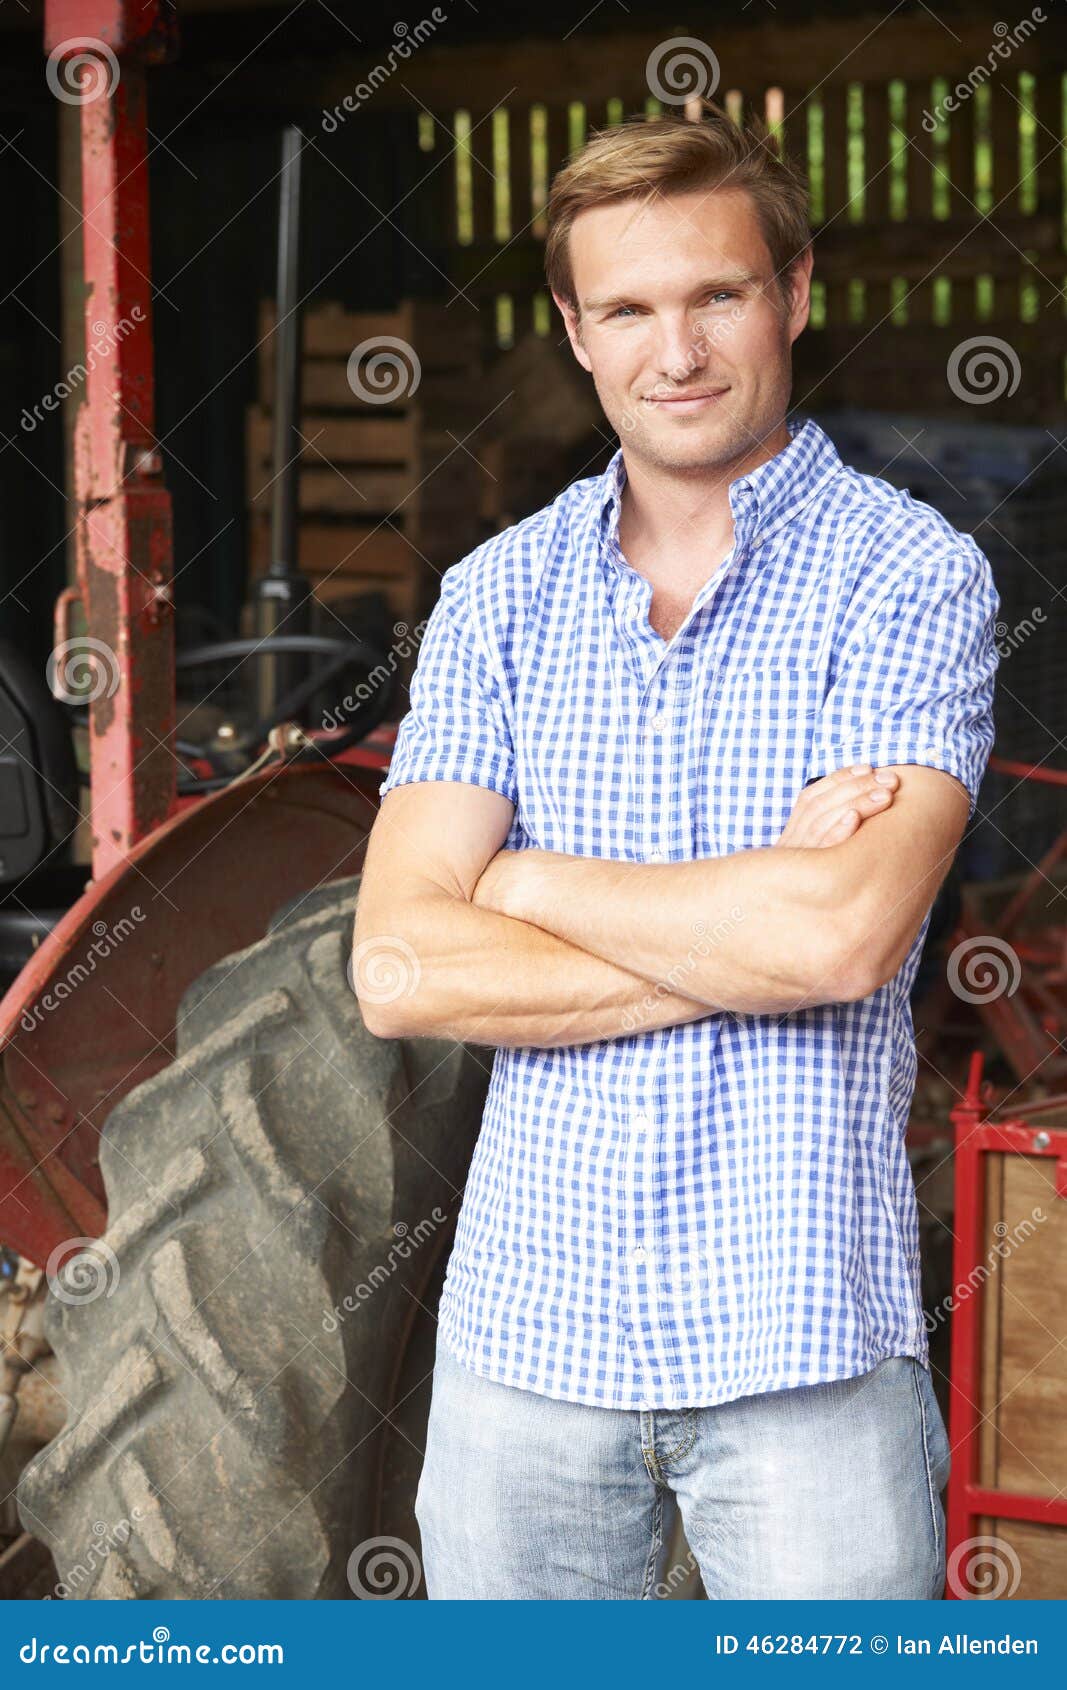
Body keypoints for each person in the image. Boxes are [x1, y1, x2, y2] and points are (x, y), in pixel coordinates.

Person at [352, 99, 999, 1600]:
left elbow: (838, 940)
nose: (679, 348)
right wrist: (751, 931)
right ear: (577, 332)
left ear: (795, 293)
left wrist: (518, 882)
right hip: (523, 1358)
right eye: (630, 307)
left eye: (717, 293)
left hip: (805, 1352)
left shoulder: (911, 578)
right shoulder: (498, 597)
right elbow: (394, 962)